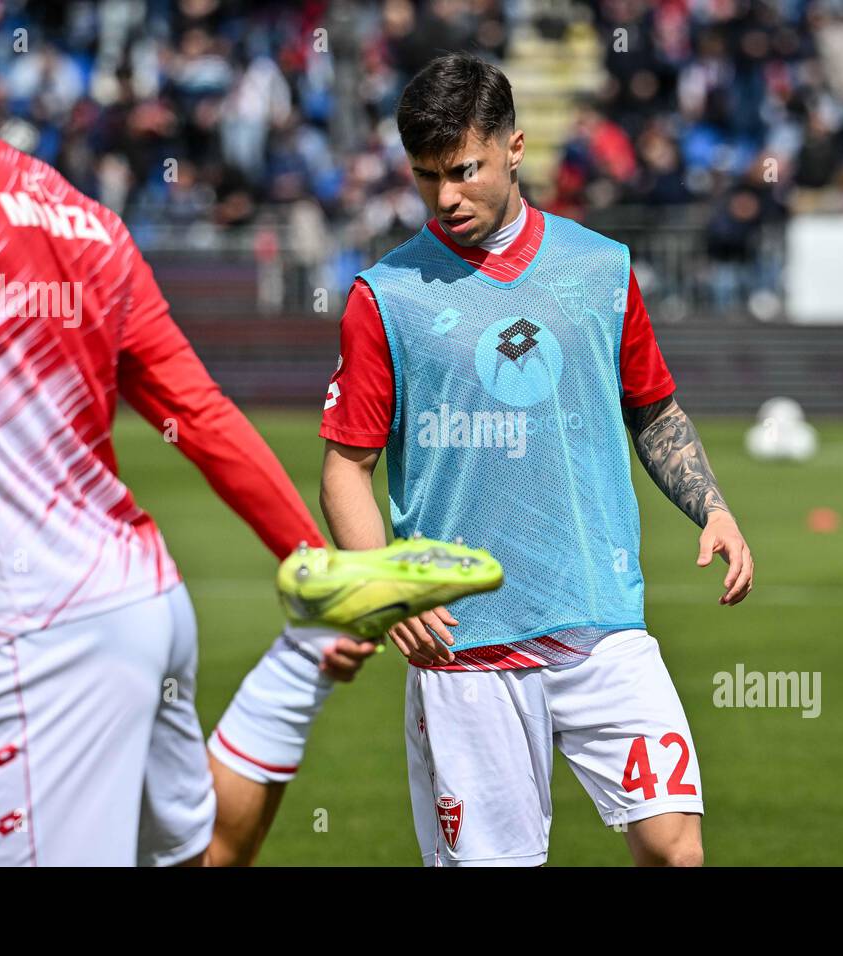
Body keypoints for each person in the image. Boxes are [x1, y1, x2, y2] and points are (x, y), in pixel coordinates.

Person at [0, 0, 376, 867]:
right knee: (201, 857)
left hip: (43, 632)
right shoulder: (76, 209)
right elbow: (198, 416)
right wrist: (320, 563)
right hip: (144, 606)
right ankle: (300, 655)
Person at [319, 53, 755, 866]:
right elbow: (347, 466)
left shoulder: (601, 268)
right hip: (464, 644)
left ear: (515, 148)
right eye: (424, 178)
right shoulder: (386, 296)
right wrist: (385, 588)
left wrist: (715, 507)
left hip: (601, 623)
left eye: (464, 171)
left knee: (677, 850)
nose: (445, 198)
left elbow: (652, 409)